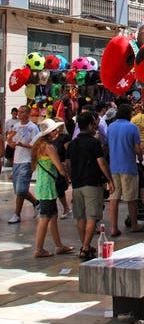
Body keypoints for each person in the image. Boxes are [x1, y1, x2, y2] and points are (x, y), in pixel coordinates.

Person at [67, 111, 114, 260]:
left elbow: (68, 164)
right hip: (92, 182)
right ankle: (86, 247)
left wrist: (72, 177)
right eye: (94, 124)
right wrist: (110, 179)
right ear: (89, 125)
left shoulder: (72, 143)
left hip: (77, 183)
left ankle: (85, 246)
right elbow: (101, 162)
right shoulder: (94, 143)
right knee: (92, 216)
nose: (96, 126)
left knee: (80, 217)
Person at [31, 119, 73, 258]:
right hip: (48, 185)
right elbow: (59, 167)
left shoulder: (39, 146)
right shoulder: (49, 147)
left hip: (43, 184)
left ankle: (59, 246)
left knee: (53, 216)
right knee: (45, 217)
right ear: (50, 133)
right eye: (55, 130)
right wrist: (67, 175)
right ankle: (39, 248)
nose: (58, 132)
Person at [106, 103, 144, 237]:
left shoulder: (110, 127)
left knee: (114, 198)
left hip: (113, 167)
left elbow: (106, 145)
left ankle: (113, 228)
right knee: (131, 198)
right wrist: (140, 156)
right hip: (128, 166)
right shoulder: (132, 127)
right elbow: (137, 148)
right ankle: (134, 224)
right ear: (128, 115)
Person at [6, 105, 40, 224]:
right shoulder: (16, 126)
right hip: (17, 160)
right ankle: (36, 203)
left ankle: (17, 214)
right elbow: (11, 141)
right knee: (19, 189)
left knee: (21, 190)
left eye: (21, 112)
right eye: (19, 112)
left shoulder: (33, 128)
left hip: (26, 160)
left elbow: (34, 145)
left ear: (28, 113)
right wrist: (10, 142)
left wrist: (22, 145)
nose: (19, 114)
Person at [3, 107, 19, 177]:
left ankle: (15, 169)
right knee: (8, 155)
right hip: (10, 140)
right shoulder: (8, 122)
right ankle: (13, 165)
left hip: (16, 141)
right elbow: (6, 131)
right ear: (12, 113)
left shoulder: (19, 121)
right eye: (14, 113)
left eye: (16, 113)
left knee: (15, 155)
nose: (15, 115)